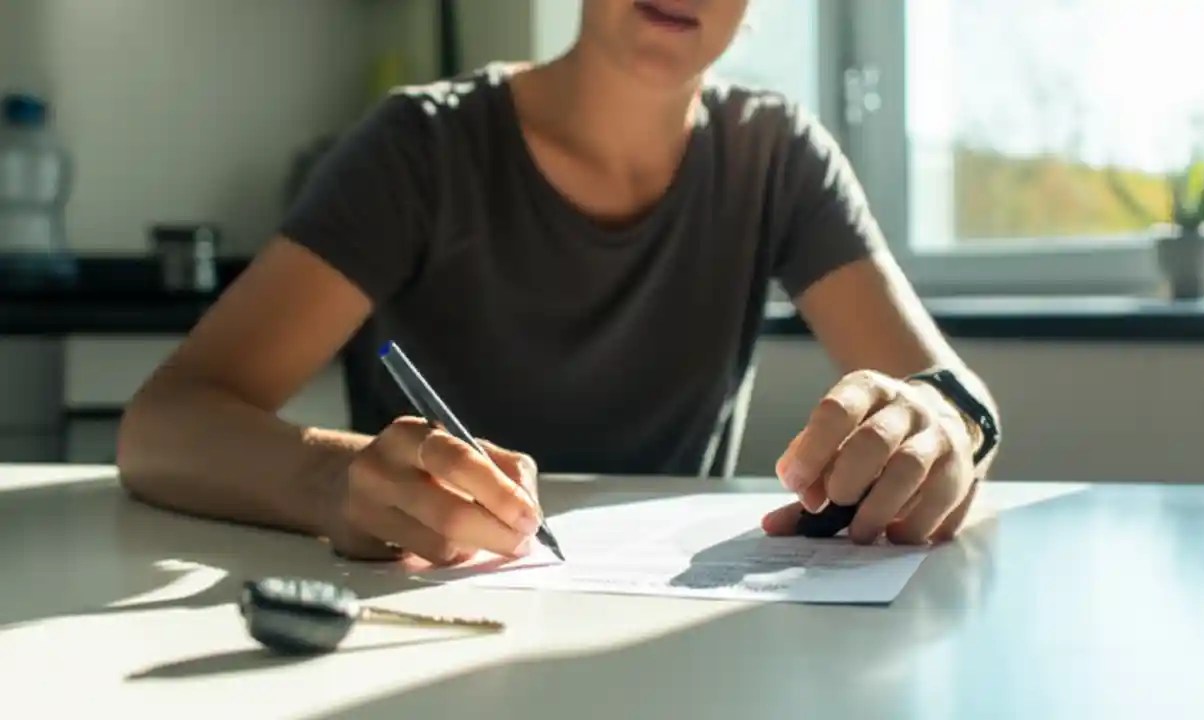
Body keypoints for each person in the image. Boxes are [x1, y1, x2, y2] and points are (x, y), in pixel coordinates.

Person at [117, 0, 1001, 566]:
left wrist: (945, 425)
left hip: (687, 644)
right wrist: (333, 484)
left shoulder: (777, 158)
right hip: (432, 624)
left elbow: (950, 396)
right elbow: (164, 427)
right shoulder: (419, 151)